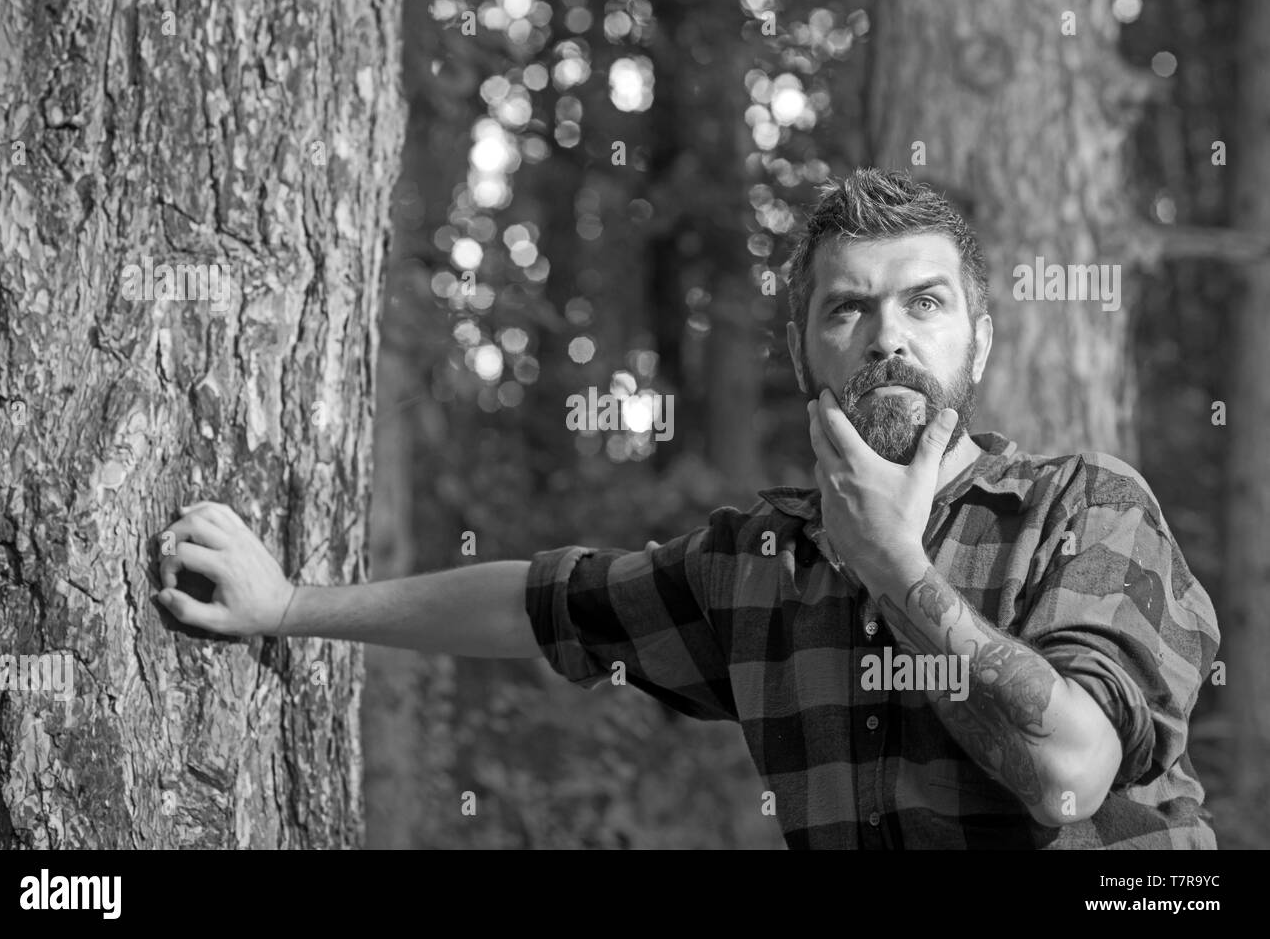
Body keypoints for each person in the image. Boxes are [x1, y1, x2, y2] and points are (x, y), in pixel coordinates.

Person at [155, 168, 1220, 849]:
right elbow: (537, 605)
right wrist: (290, 605)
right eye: (847, 309)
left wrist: (895, 567)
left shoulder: (1084, 505)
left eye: (924, 304)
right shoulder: (757, 563)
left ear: (978, 342)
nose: (887, 337)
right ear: (805, 353)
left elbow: (1069, 778)